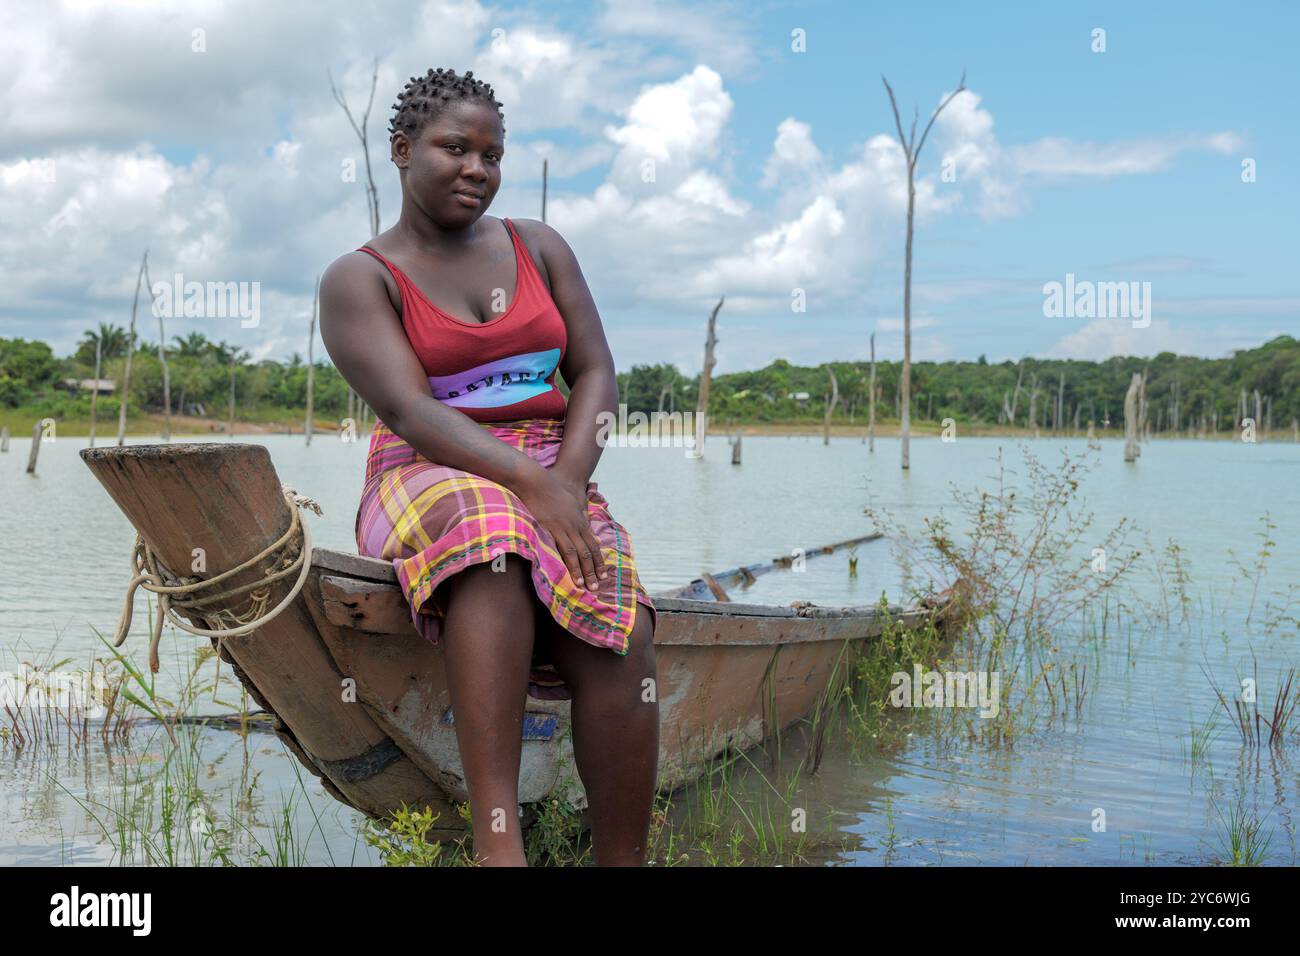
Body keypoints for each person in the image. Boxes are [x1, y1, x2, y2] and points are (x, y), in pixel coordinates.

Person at [318, 67, 659, 867]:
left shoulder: (538, 247)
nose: (477, 167)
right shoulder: (360, 278)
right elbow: (411, 412)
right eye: (454, 148)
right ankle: (497, 844)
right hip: (425, 466)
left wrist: (566, 483)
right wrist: (532, 487)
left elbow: (598, 375)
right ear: (402, 151)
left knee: (621, 623)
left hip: (555, 462)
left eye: (492, 153)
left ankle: (622, 859)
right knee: (493, 539)